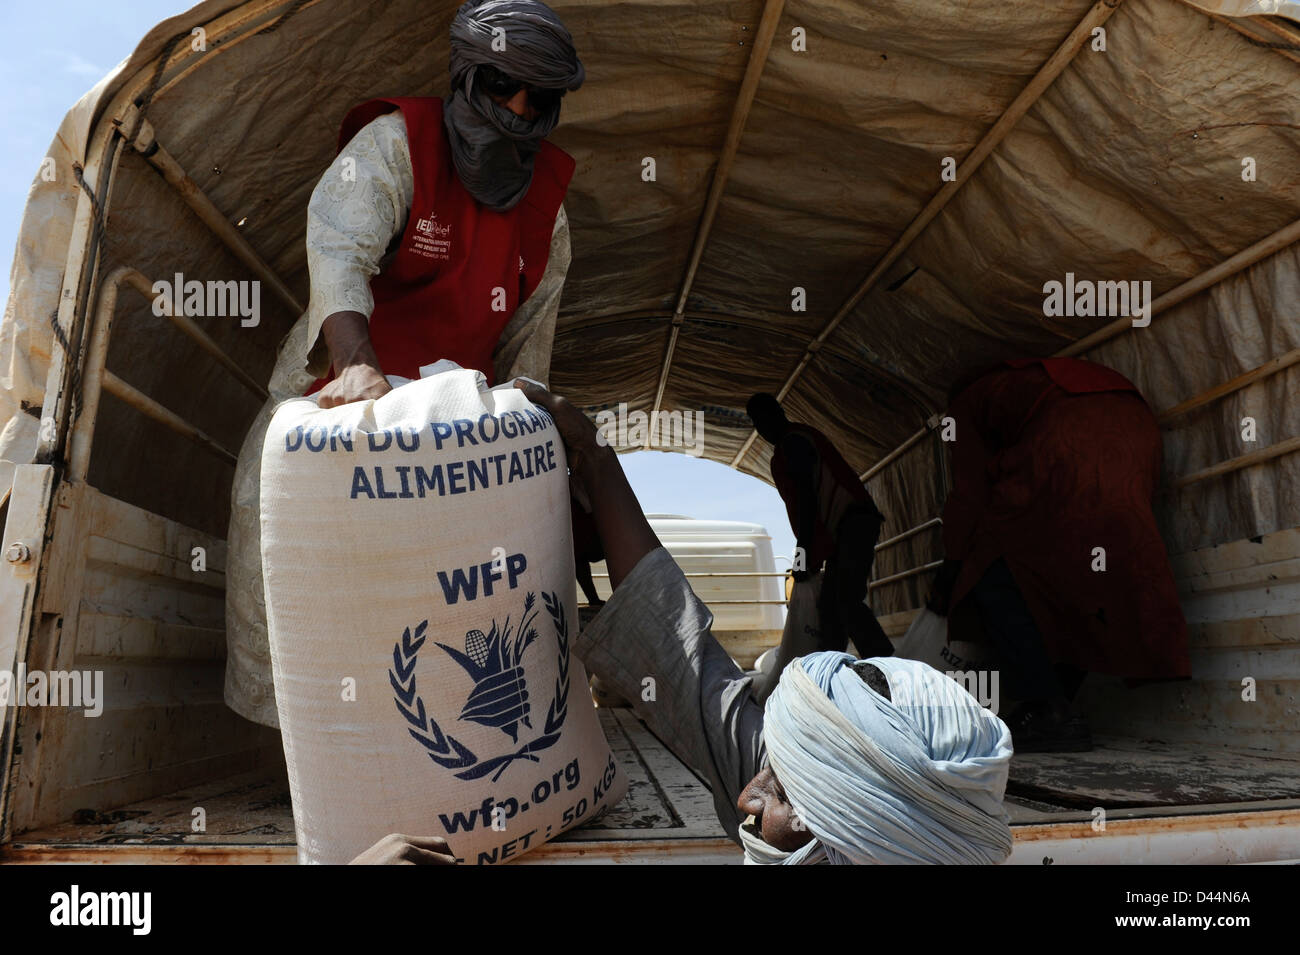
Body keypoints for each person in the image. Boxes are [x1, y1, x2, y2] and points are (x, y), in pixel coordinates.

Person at [356, 382, 1016, 865]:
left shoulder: (796, 448)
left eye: (779, 788)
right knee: (842, 613)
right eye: (768, 771)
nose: (744, 798)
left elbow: (812, 511)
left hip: (841, 535)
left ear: (854, 831)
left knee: (839, 606)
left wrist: (814, 558)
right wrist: (592, 453)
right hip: (841, 537)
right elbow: (685, 663)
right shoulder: (835, 822)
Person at [224, 0, 585, 727]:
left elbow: (527, 348)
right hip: (349, 394)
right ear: (464, 78)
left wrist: (536, 433)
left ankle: (441, 737)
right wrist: (357, 367)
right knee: (270, 492)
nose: (517, 110)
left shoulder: (548, 216)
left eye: (537, 99)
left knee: (462, 585)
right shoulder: (395, 147)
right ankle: (292, 738)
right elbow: (338, 248)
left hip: (451, 423)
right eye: (499, 87)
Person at [929, 357, 1190, 752]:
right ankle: (1056, 702)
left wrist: (952, 565)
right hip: (1139, 433)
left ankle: (1048, 707)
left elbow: (970, 491)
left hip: (1065, 438)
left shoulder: (967, 401)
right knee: (1085, 577)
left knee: (990, 568)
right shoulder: (1033, 379)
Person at [745, 393, 893, 663]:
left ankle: (889, 669)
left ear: (779, 413)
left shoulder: (794, 444)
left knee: (846, 600)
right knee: (830, 607)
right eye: (757, 422)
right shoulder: (793, 442)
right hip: (843, 529)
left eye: (764, 418)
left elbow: (808, 502)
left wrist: (802, 556)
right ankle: (828, 671)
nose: (762, 428)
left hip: (854, 523)